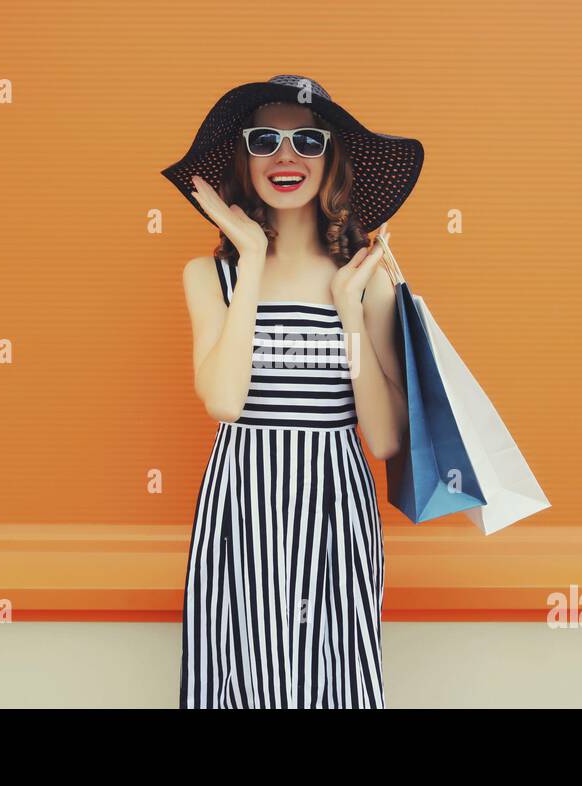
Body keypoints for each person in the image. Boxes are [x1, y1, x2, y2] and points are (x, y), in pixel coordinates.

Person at [160, 74, 425, 708]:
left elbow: (385, 440)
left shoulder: (367, 281)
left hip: (335, 504)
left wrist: (350, 312)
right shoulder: (210, 276)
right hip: (241, 504)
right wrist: (249, 260)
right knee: (238, 679)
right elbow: (224, 401)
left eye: (307, 139)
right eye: (265, 139)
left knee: (333, 682)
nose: (287, 156)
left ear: (332, 158)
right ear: (243, 159)